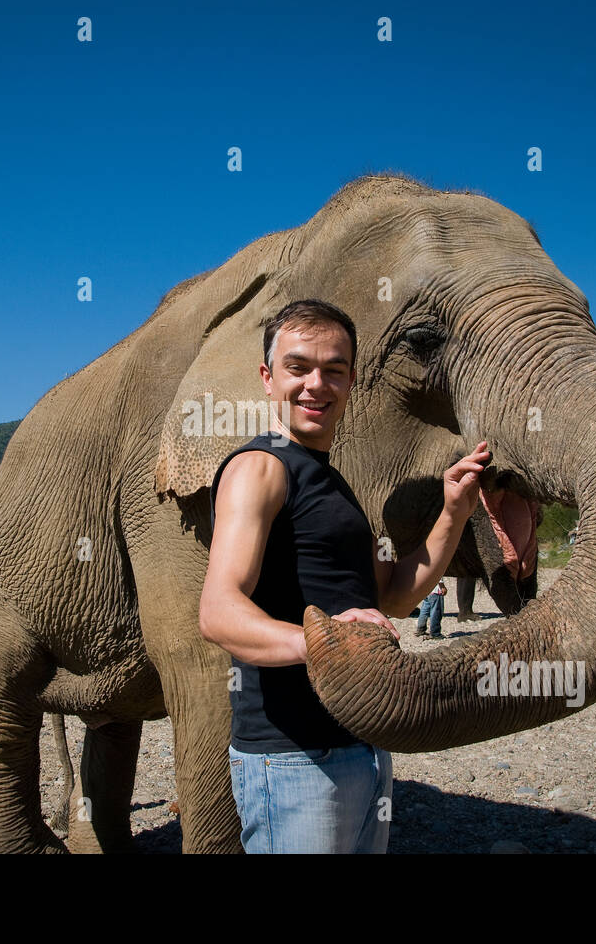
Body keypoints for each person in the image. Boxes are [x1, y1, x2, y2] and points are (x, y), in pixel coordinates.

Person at [199, 298, 489, 853]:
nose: (316, 384)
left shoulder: (338, 486)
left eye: (333, 370)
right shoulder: (258, 467)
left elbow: (396, 597)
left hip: (361, 740)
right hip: (292, 755)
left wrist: (454, 511)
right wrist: (326, 646)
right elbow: (218, 611)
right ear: (267, 378)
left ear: (351, 381)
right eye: (298, 367)